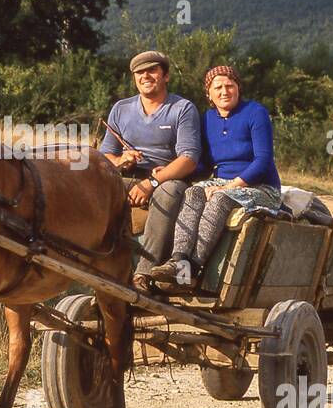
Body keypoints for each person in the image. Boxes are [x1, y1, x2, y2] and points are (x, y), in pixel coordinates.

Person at [148, 64, 282, 288]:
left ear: (238, 88)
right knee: (192, 193)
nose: (224, 91)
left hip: (260, 186)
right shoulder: (207, 119)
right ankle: (179, 261)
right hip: (223, 182)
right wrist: (169, 169)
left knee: (219, 199)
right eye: (217, 87)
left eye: (230, 85)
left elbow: (263, 160)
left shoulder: (255, 113)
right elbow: (205, 166)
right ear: (208, 93)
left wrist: (230, 187)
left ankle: (194, 267)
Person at [99, 50, 201, 291]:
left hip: (168, 179)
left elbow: (189, 158)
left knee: (168, 191)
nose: (145, 76)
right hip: (128, 178)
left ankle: (143, 273)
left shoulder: (182, 109)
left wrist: (151, 183)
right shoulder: (121, 109)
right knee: (92, 186)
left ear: (165, 76)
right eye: (139, 72)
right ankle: (92, 262)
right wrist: (121, 161)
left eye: (152, 70)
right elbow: (105, 156)